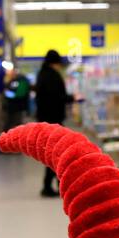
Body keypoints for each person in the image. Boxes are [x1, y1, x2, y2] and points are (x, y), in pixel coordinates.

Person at [32, 50, 73, 196]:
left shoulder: (42, 74)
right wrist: (72, 98)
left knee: (53, 154)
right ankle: (51, 186)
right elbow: (57, 97)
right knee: (55, 154)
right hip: (53, 119)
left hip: (45, 119)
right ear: (55, 63)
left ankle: (53, 185)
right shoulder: (52, 76)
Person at [1, 69, 31, 138]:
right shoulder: (16, 81)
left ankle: (7, 141)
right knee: (13, 123)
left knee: (13, 123)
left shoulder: (20, 81)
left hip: (17, 106)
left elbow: (20, 94)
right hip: (14, 106)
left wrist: (7, 94)